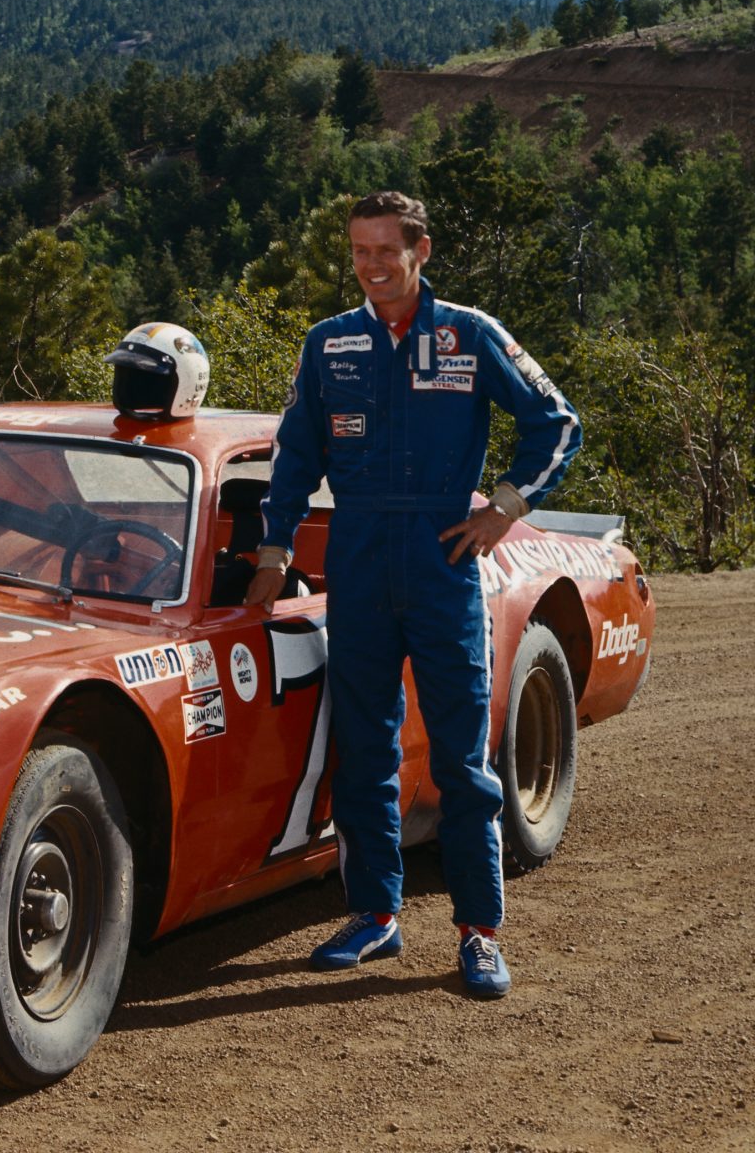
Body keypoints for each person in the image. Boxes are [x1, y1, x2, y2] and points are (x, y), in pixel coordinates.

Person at [244, 189, 580, 999]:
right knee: (364, 747)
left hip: (440, 560)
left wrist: (500, 509)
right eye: (358, 251)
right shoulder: (328, 345)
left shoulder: (468, 333)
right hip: (356, 558)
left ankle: (478, 933)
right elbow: (292, 459)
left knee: (464, 759)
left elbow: (556, 423)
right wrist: (272, 547)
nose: (369, 266)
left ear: (419, 251)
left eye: (383, 250)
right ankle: (373, 916)